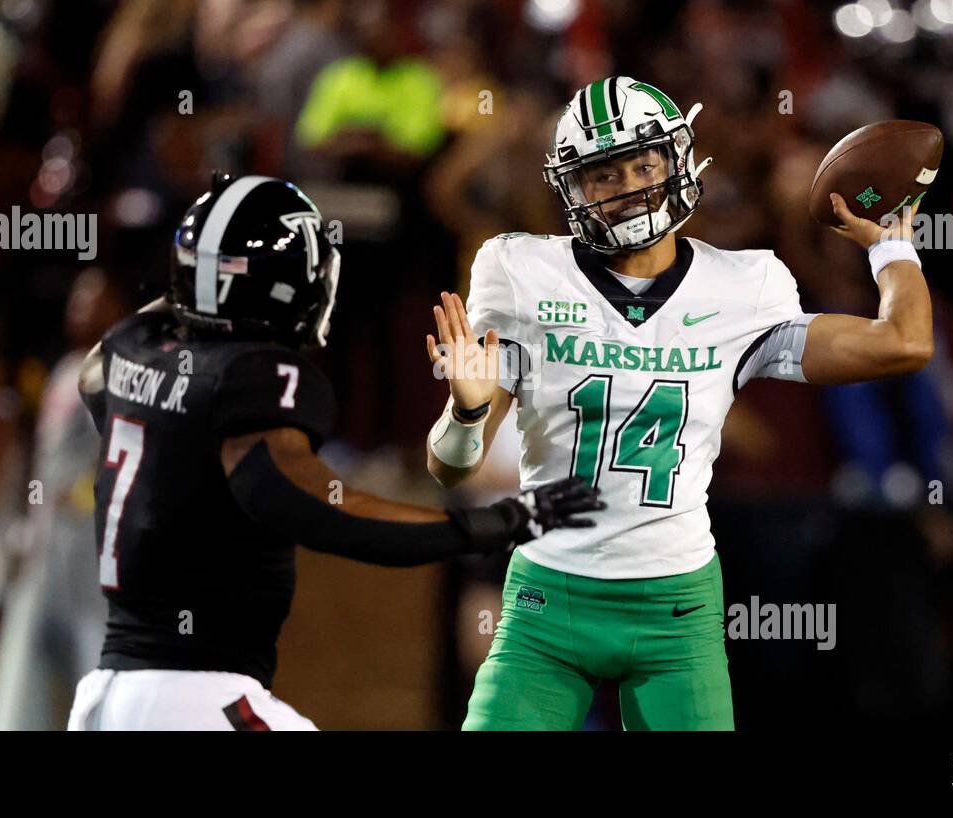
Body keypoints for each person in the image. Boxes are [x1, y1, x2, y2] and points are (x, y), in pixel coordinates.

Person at [424, 77, 933, 730]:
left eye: (644, 162)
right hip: (549, 600)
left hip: (674, 606)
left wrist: (890, 245)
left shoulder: (743, 285)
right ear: (573, 188)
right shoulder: (519, 269)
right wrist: (467, 412)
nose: (630, 184)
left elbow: (905, 342)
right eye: (605, 173)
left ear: (679, 161)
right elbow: (451, 466)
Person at [67, 173, 604, 731]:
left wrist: (203, 274)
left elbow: (118, 370)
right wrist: (498, 522)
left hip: (107, 698)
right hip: (197, 701)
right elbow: (320, 509)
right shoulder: (252, 379)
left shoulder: (126, 354)